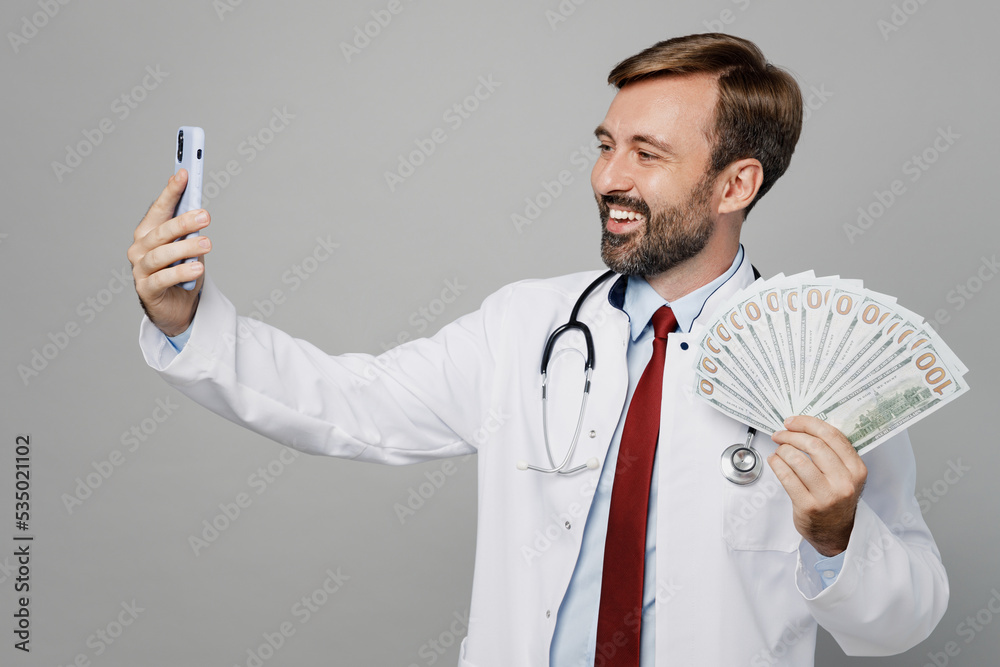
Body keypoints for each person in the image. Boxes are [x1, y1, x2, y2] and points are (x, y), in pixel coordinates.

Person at [128, 33, 947, 666]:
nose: (607, 178)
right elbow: (353, 403)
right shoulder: (526, 326)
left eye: (647, 154)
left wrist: (837, 536)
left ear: (736, 184)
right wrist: (187, 320)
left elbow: (907, 616)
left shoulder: (826, 369)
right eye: (605, 144)